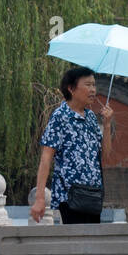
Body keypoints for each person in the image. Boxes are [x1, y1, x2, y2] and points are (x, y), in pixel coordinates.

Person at [30, 67, 114, 224]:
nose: (93, 90)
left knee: (93, 243)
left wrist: (107, 124)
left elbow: (104, 155)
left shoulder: (90, 117)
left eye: (94, 85)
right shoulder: (60, 117)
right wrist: (40, 198)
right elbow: (46, 158)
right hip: (71, 196)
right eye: (88, 85)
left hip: (93, 194)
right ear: (71, 88)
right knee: (78, 244)